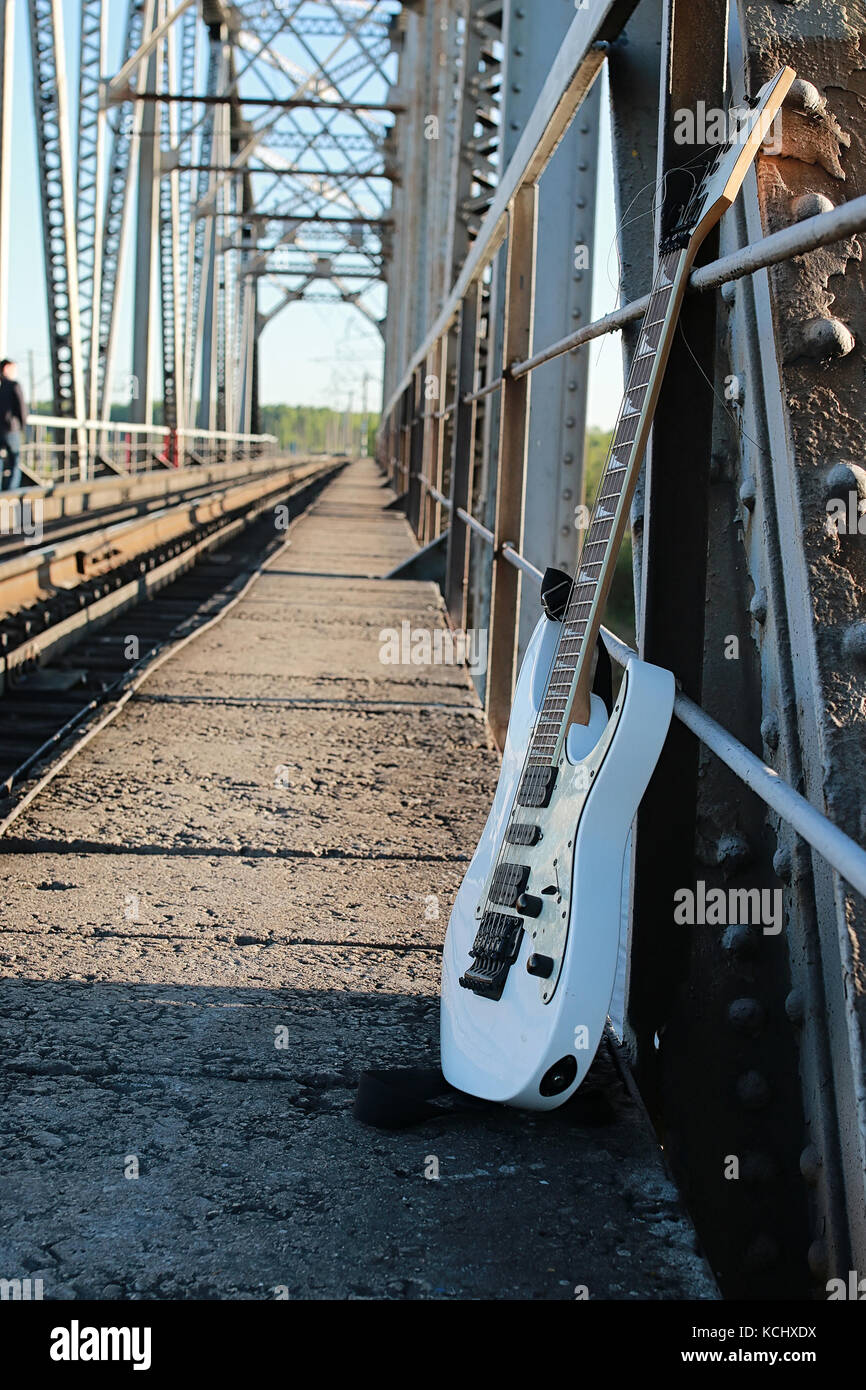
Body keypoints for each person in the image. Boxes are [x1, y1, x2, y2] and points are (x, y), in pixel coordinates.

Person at [0, 358, 27, 491]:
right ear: (6, 369)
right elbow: (21, 408)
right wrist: (23, 425)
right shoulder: (14, 385)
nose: (15, 372)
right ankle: (11, 493)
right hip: (11, 429)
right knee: (15, 463)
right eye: (13, 368)